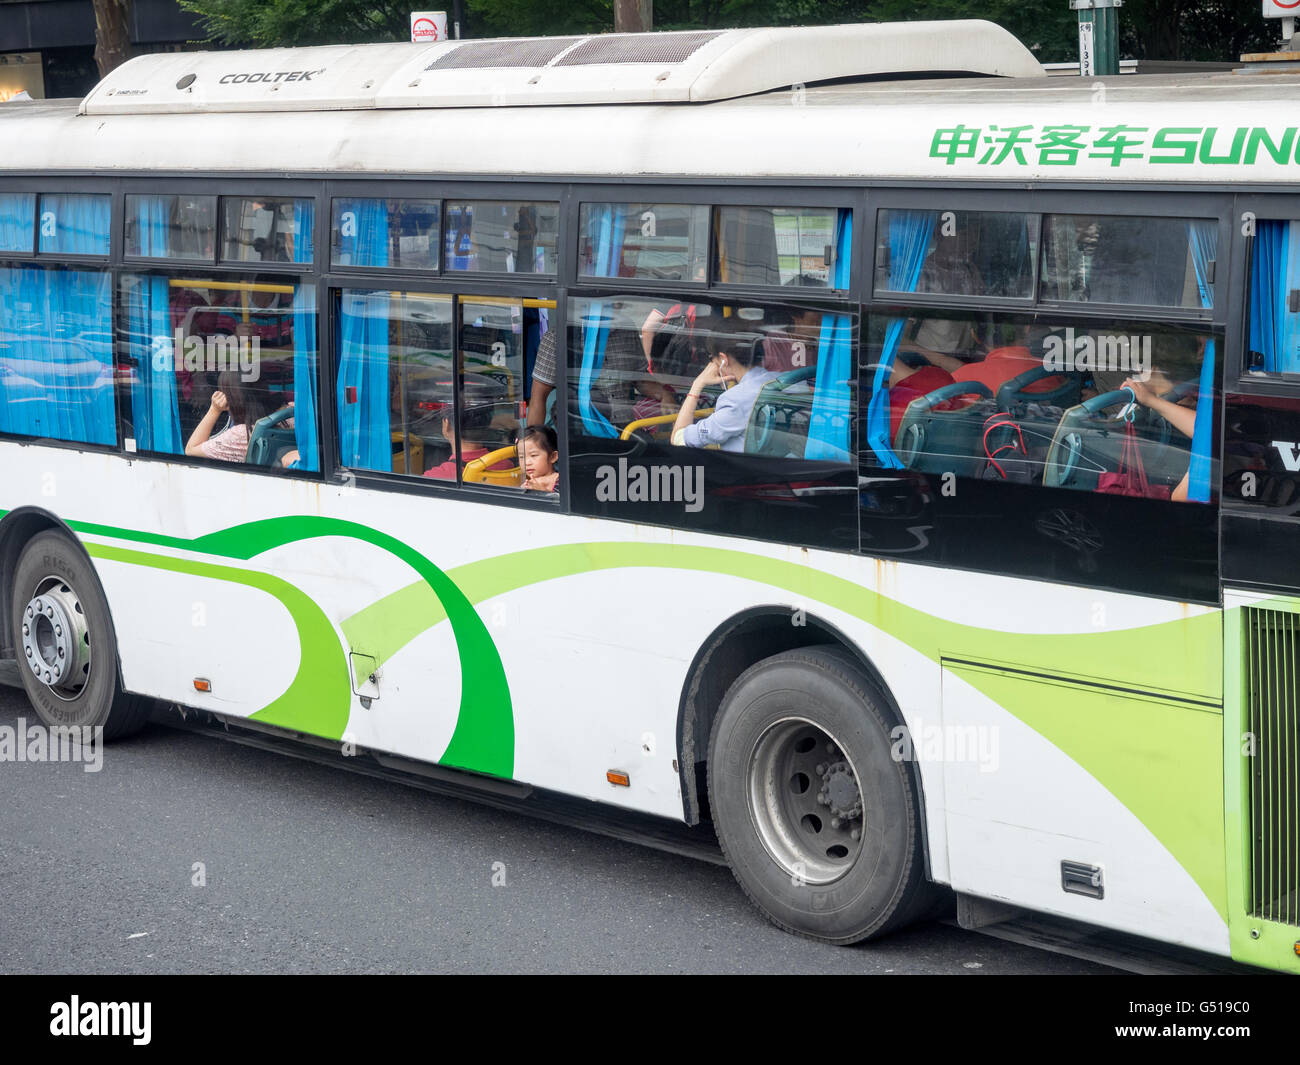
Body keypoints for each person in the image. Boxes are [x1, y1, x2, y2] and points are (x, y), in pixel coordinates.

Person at [671, 315, 777, 452]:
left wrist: (697, 384)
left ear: (723, 359)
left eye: (711, 357)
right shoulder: (785, 380)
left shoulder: (735, 401)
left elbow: (678, 438)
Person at [184, 372, 279, 462]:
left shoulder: (240, 434)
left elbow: (191, 450)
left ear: (228, 398)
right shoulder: (286, 419)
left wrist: (214, 410)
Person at [520, 424, 559, 492]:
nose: (526, 463)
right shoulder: (526, 481)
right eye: (521, 457)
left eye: (533, 455)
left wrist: (543, 490)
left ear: (553, 457)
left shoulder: (561, 481)